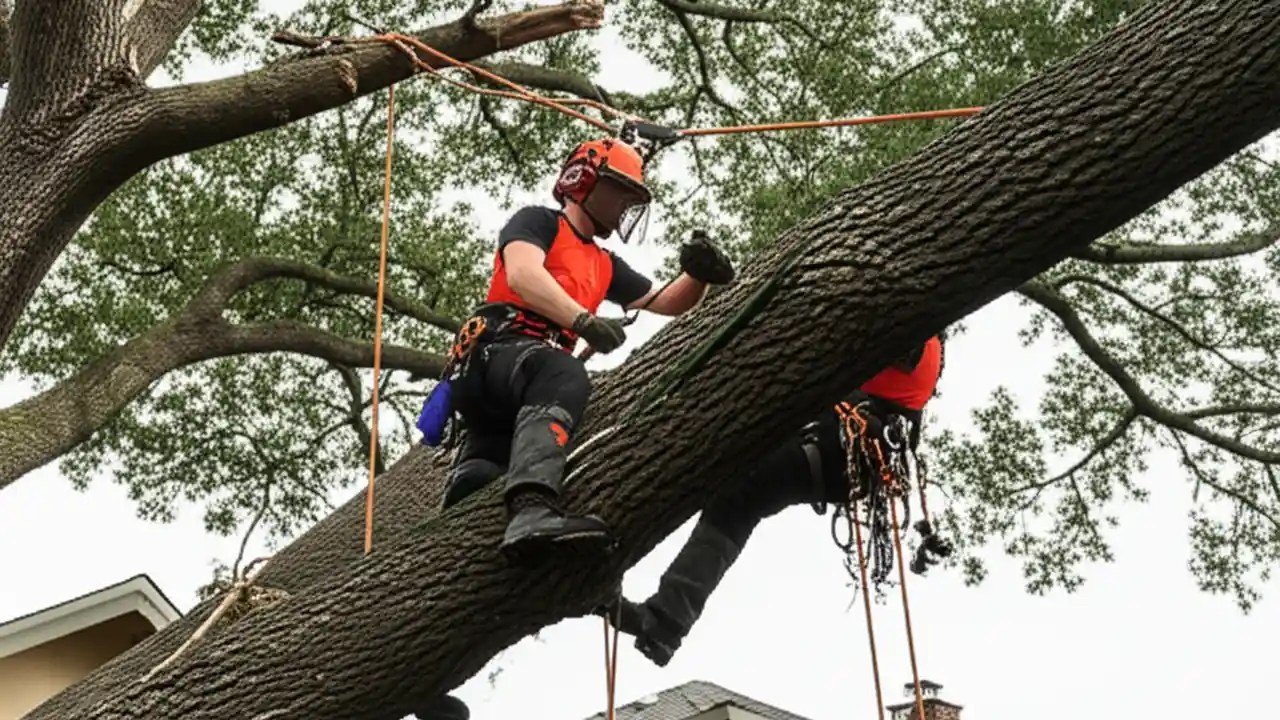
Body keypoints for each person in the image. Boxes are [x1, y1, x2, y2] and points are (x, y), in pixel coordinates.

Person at [439, 135, 736, 565]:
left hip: (517, 389)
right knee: (564, 376)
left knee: (485, 473)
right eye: (622, 194)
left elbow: (666, 302)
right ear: (586, 181)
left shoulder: (604, 263)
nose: (625, 209)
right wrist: (582, 321)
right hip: (497, 353)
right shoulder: (538, 222)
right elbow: (522, 274)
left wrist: (697, 276)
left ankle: (473, 486)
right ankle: (532, 507)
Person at [598, 335, 945, 667]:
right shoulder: (916, 338)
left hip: (841, 446)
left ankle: (660, 615)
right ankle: (664, 623)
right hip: (837, 446)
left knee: (740, 494)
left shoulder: (916, 339)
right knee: (735, 494)